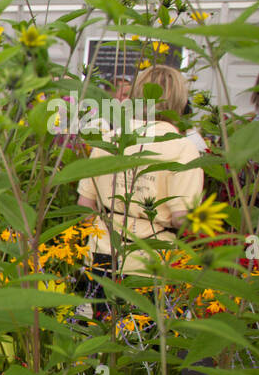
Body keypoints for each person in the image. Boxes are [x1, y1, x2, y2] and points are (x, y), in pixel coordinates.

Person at [77, 65, 203, 282]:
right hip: (152, 259)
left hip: (101, 255)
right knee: (144, 317)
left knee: (97, 315)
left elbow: (84, 205)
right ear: (180, 102)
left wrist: (103, 237)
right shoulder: (183, 148)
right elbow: (184, 218)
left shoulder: (109, 139)